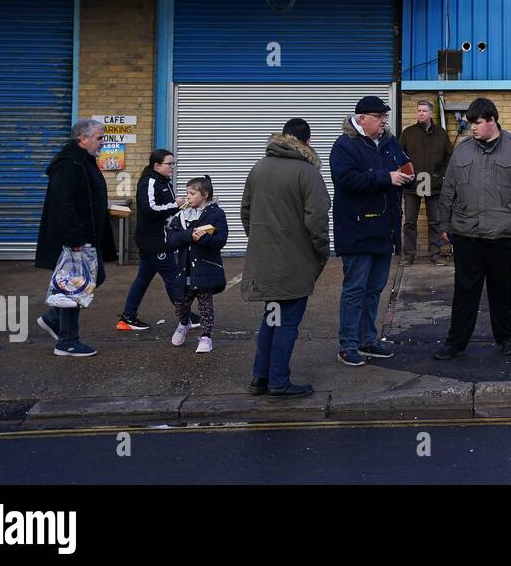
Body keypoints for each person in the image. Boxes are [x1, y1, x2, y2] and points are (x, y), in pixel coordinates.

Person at [433, 98, 511, 360]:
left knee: (503, 290)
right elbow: (449, 189)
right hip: (467, 234)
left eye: (477, 123)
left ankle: (506, 338)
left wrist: (510, 211)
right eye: (470, 123)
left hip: (504, 236)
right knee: (464, 291)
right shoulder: (463, 151)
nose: (473, 128)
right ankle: (455, 343)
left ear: (492, 121)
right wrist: (444, 223)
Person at [241, 118, 331, 397]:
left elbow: (246, 211)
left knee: (271, 318)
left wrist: (261, 242)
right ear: (308, 142)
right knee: (287, 322)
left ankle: (261, 377)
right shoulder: (307, 172)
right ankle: (279, 381)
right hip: (294, 260)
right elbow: (316, 221)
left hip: (265, 259)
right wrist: (321, 252)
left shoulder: (259, 168)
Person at [331, 96, 414, 366]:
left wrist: (407, 173)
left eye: (385, 118)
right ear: (362, 119)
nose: (383, 123)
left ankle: (368, 339)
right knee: (355, 289)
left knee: (375, 288)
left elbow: (402, 163)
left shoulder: (389, 142)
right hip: (356, 229)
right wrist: (385, 177)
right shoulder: (345, 145)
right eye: (379, 118)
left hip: (383, 228)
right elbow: (345, 181)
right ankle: (348, 345)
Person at [34, 118, 118, 357]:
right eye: (99, 137)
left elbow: (85, 197)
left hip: (89, 234)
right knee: (74, 286)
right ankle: (67, 342)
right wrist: (74, 238)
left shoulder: (84, 161)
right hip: (77, 238)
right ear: (83, 139)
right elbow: (64, 204)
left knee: (95, 277)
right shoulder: (69, 164)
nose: (103, 142)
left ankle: (53, 319)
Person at [118, 148, 189, 331]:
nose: (172, 167)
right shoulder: (149, 181)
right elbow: (150, 209)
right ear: (157, 165)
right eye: (169, 164)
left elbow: (165, 209)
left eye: (174, 163)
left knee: (143, 278)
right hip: (153, 240)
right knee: (173, 277)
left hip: (159, 238)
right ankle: (186, 316)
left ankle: (128, 316)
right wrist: (175, 205)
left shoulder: (162, 181)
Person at [164, 175, 228, 352]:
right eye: (186, 193)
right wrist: (188, 235)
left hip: (206, 268)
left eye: (192, 194)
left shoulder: (216, 214)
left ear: (205, 195)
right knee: (180, 302)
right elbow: (171, 240)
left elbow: (221, 240)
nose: (187, 197)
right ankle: (184, 323)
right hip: (184, 270)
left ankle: (206, 336)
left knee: (205, 304)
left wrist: (205, 238)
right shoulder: (182, 215)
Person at [398, 100, 456, 266]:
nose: (420, 113)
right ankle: (408, 255)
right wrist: (406, 175)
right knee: (409, 221)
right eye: (418, 111)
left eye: (424, 111)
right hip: (412, 184)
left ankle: (435, 254)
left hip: (434, 183)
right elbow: (399, 156)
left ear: (431, 113)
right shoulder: (408, 133)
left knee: (435, 221)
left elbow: (449, 157)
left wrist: (442, 176)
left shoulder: (441, 133)